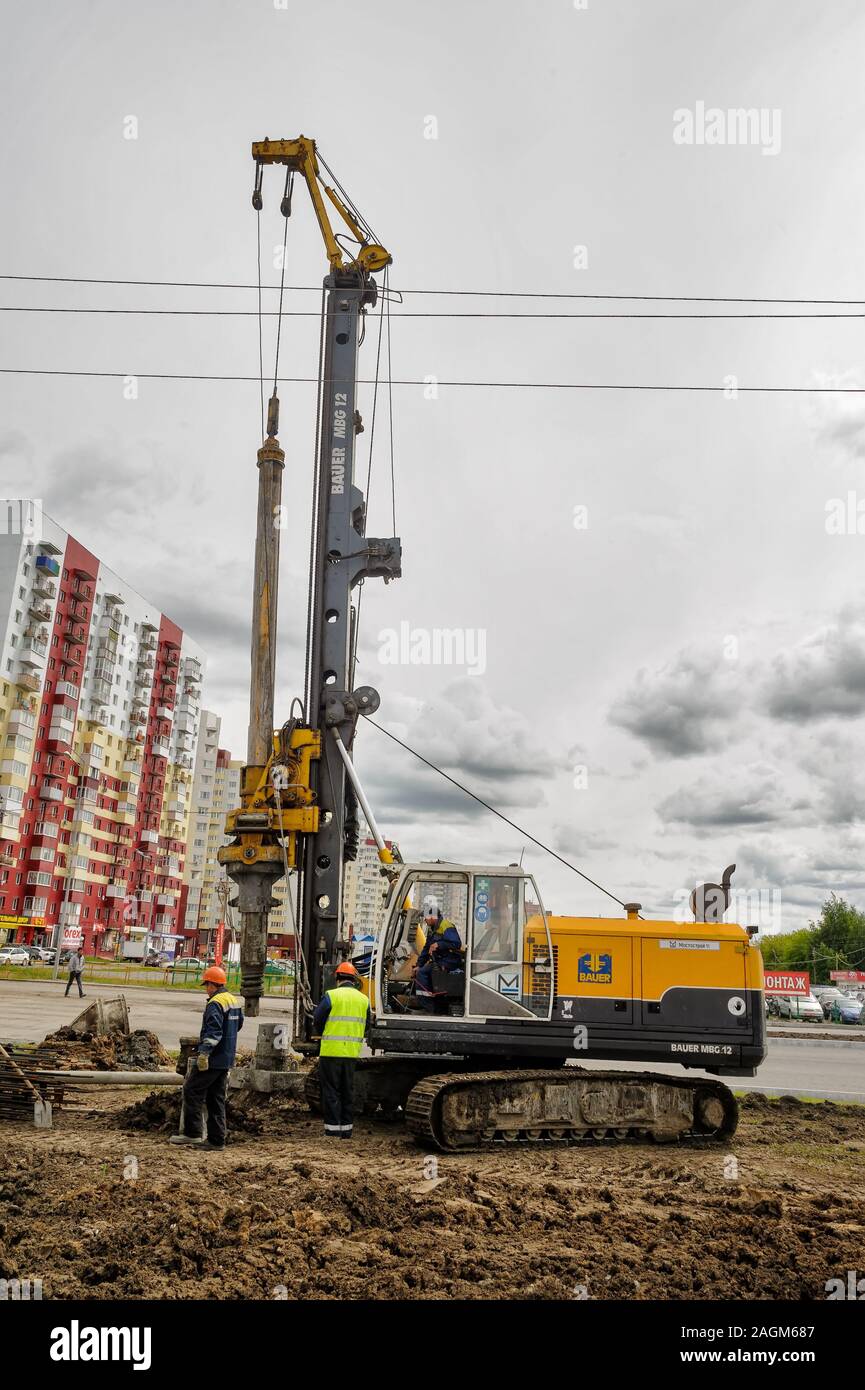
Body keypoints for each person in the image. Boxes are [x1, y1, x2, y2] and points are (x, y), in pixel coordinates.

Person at [169, 965, 243, 1152]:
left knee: (192, 1089)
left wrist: (204, 1053)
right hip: (226, 1057)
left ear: (212, 984)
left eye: (206, 985)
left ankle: (193, 1133)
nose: (206, 989)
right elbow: (238, 1024)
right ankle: (217, 1140)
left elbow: (213, 1031)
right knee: (216, 1098)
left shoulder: (215, 1003)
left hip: (214, 1058)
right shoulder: (233, 1000)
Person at [313, 961, 370, 1139]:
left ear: (337, 977)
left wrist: (326, 1033)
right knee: (347, 1091)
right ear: (354, 979)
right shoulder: (364, 999)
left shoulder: (332, 995)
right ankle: (346, 1130)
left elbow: (318, 1019)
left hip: (331, 1052)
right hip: (351, 1053)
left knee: (331, 1092)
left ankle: (332, 1131)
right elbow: (367, 1025)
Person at [413, 897, 463, 1012]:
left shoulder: (446, 926)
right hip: (441, 960)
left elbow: (456, 944)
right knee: (421, 970)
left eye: (426, 917)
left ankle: (429, 1006)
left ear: (432, 917)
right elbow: (426, 949)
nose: (425, 920)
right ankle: (432, 1003)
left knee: (422, 973)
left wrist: (439, 944)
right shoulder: (432, 929)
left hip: (450, 961)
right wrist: (419, 965)